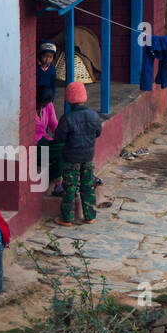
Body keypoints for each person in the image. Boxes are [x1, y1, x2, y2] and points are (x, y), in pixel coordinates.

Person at [53, 81, 100, 226]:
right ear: (84, 97)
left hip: (71, 158)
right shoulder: (93, 116)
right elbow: (98, 132)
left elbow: (59, 138)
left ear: (68, 99)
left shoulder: (67, 119)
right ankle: (90, 215)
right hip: (88, 156)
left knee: (70, 188)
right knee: (88, 186)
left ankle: (66, 218)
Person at [35, 85, 64, 196]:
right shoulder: (28, 109)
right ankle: (58, 184)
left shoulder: (48, 106)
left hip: (46, 142)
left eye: (44, 105)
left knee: (64, 147)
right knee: (62, 151)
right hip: (34, 147)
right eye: (40, 104)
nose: (41, 108)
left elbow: (54, 124)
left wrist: (59, 137)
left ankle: (58, 182)